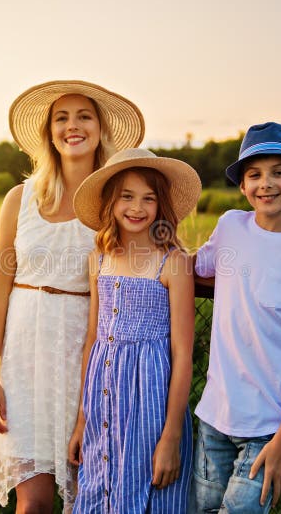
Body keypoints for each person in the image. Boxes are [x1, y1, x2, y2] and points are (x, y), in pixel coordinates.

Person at [0, 80, 145, 513]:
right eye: (62, 118)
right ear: (49, 132)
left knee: (83, 496)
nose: (73, 126)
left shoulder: (114, 202)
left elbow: (149, 257)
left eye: (84, 116)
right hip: (24, 360)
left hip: (85, 359)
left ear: (100, 128)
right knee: (32, 503)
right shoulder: (21, 198)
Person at [190, 122, 281, 513]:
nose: (266, 184)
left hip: (271, 427)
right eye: (254, 174)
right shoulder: (230, 227)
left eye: (279, 172)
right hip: (215, 417)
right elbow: (189, 268)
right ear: (242, 186)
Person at [67, 148, 202, 513]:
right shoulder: (99, 260)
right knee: (99, 493)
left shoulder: (173, 263)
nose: (136, 207)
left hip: (150, 408)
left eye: (148, 198)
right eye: (127, 196)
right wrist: (82, 421)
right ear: (111, 202)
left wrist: (171, 436)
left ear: (161, 207)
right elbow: (93, 340)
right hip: (103, 403)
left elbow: (182, 354)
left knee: (149, 497)